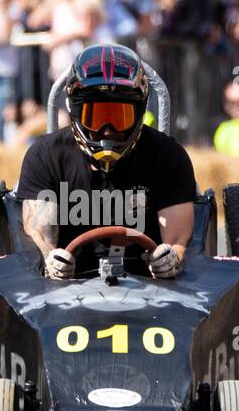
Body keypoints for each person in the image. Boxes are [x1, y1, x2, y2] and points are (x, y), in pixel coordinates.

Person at [15, 44, 195, 280]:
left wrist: (171, 258)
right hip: (68, 285)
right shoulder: (45, 154)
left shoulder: (168, 155)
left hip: (147, 283)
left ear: (139, 114)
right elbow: (39, 237)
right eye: (96, 117)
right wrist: (51, 262)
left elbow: (178, 241)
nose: (107, 131)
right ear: (76, 114)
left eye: (120, 117)